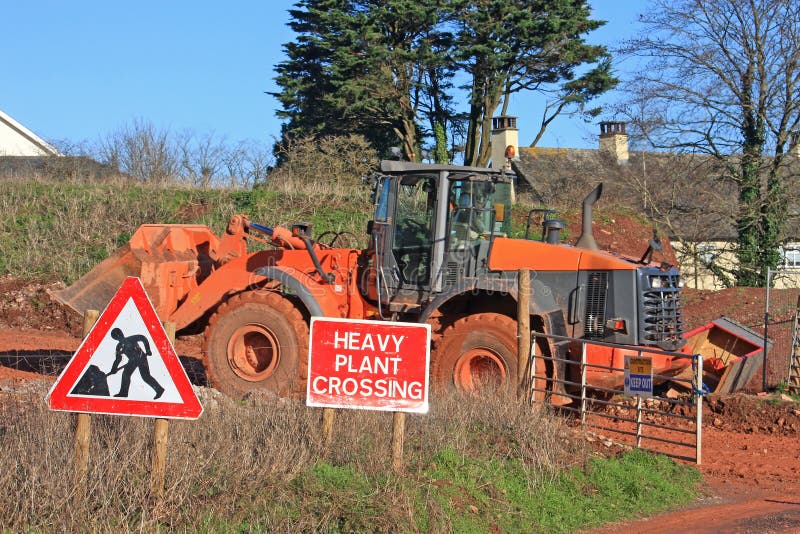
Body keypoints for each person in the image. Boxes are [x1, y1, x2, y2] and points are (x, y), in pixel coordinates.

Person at [107, 327, 164, 399]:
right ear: (115, 339)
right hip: (132, 361)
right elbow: (118, 358)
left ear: (122, 333)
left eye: (119, 335)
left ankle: (159, 389)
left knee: (145, 376)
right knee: (126, 374)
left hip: (141, 357)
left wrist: (148, 349)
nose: (119, 337)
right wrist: (114, 368)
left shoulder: (131, 338)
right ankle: (123, 393)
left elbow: (143, 338)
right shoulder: (119, 346)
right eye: (117, 337)